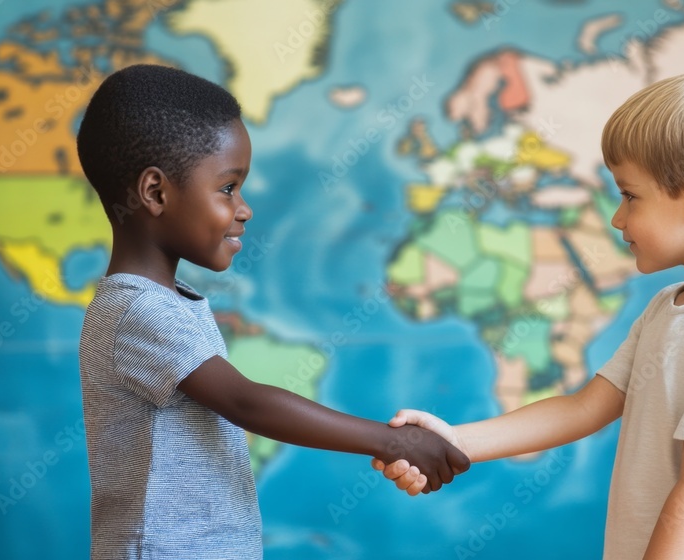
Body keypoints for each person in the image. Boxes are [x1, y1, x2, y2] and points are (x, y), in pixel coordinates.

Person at [374, 70, 684, 559]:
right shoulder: (669, 307)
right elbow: (583, 408)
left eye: (630, 196)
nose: (616, 218)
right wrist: (452, 439)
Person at [76, 64, 469, 559]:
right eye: (227, 188)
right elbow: (247, 403)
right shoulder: (136, 311)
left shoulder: (155, 303)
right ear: (155, 193)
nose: (244, 208)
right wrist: (390, 443)